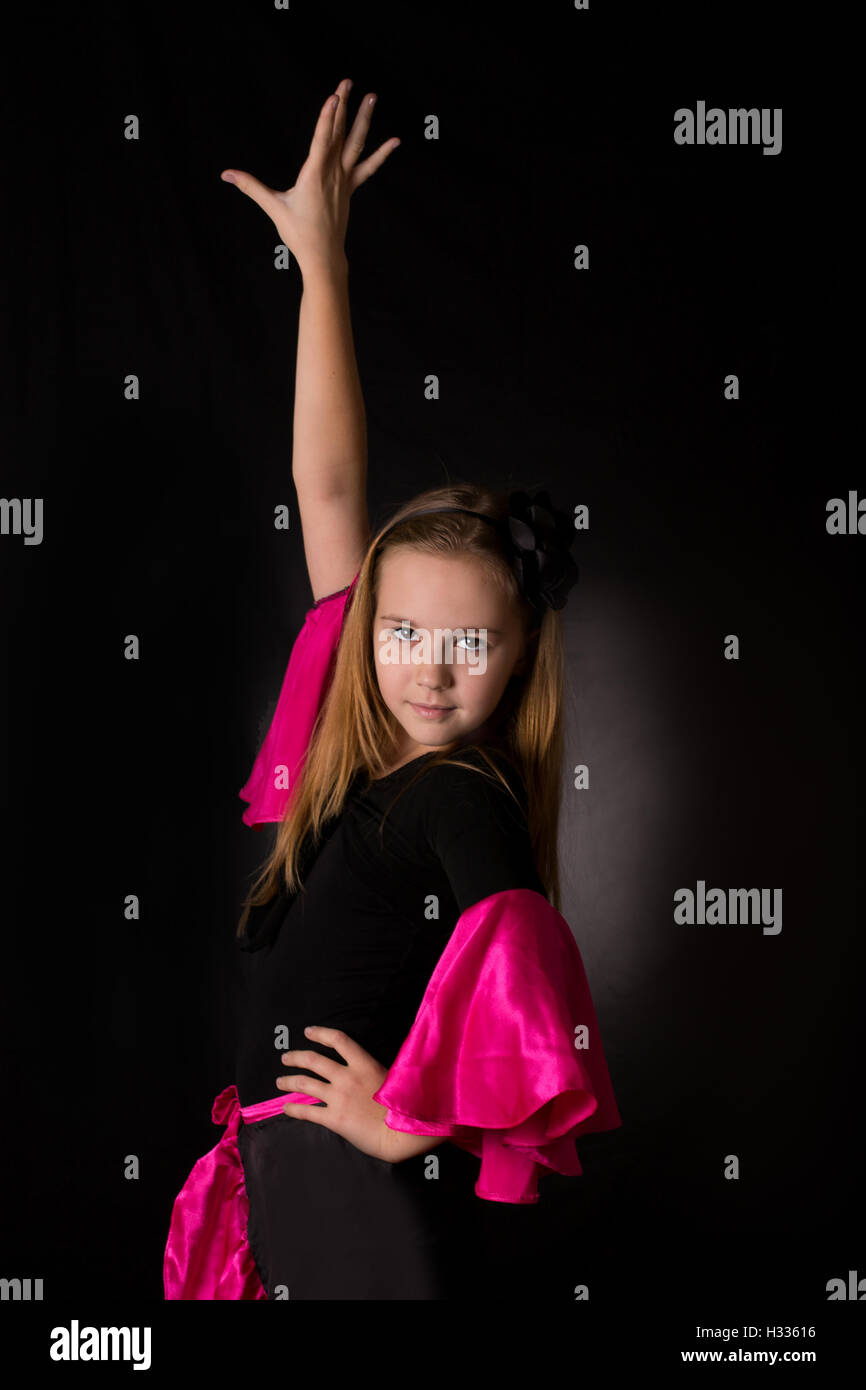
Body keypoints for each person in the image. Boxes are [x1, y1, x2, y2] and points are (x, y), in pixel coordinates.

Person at [163, 77, 621, 1301]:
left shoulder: (458, 795)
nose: (427, 666)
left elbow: (521, 955)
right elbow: (326, 488)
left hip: (353, 1190)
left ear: (517, 656)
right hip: (289, 1171)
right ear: (366, 630)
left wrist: (403, 1124)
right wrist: (321, 263)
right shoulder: (353, 759)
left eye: (469, 645)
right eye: (402, 630)